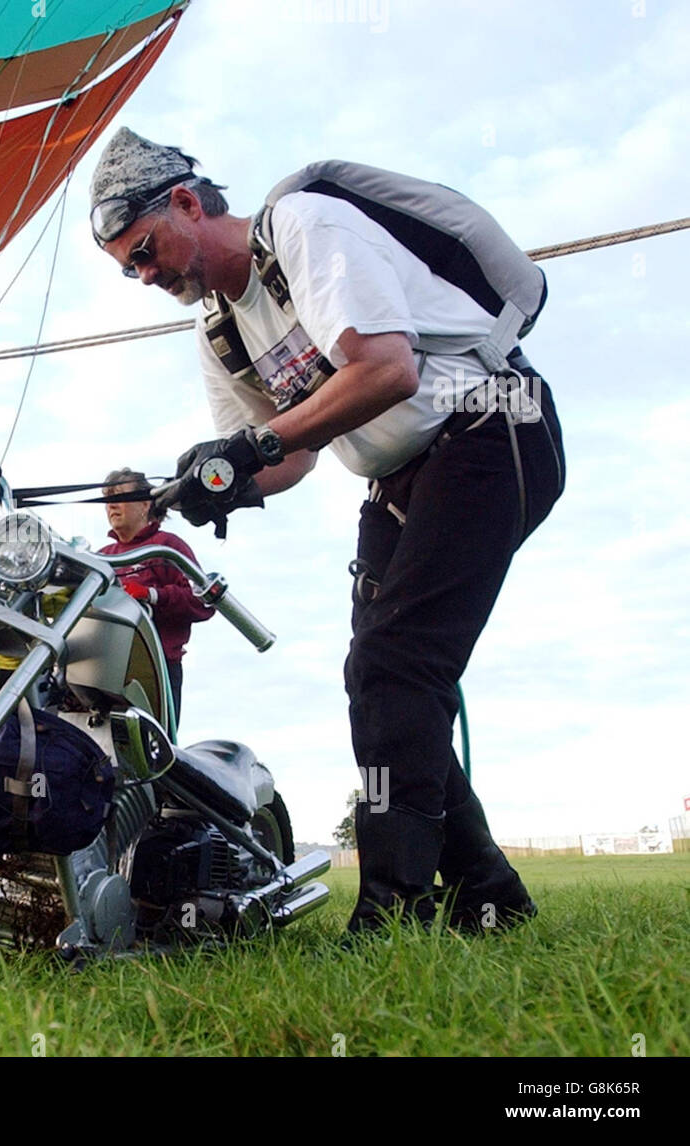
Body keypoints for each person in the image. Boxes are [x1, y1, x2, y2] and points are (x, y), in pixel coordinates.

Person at [89, 128, 565, 938]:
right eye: (128, 267)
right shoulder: (219, 331)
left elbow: (388, 369)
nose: (143, 273)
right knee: (380, 684)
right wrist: (222, 485)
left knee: (393, 667)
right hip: (401, 474)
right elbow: (291, 456)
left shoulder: (304, 226)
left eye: (143, 248)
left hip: (493, 427)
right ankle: (491, 895)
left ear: (184, 202)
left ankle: (393, 911)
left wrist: (254, 447)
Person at [98, 467, 213, 725]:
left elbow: (202, 601)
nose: (111, 508)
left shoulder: (168, 547)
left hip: (157, 669)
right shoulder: (103, 556)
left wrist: (152, 595)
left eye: (119, 499)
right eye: (107, 501)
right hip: (105, 672)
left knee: (152, 752)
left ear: (145, 503)